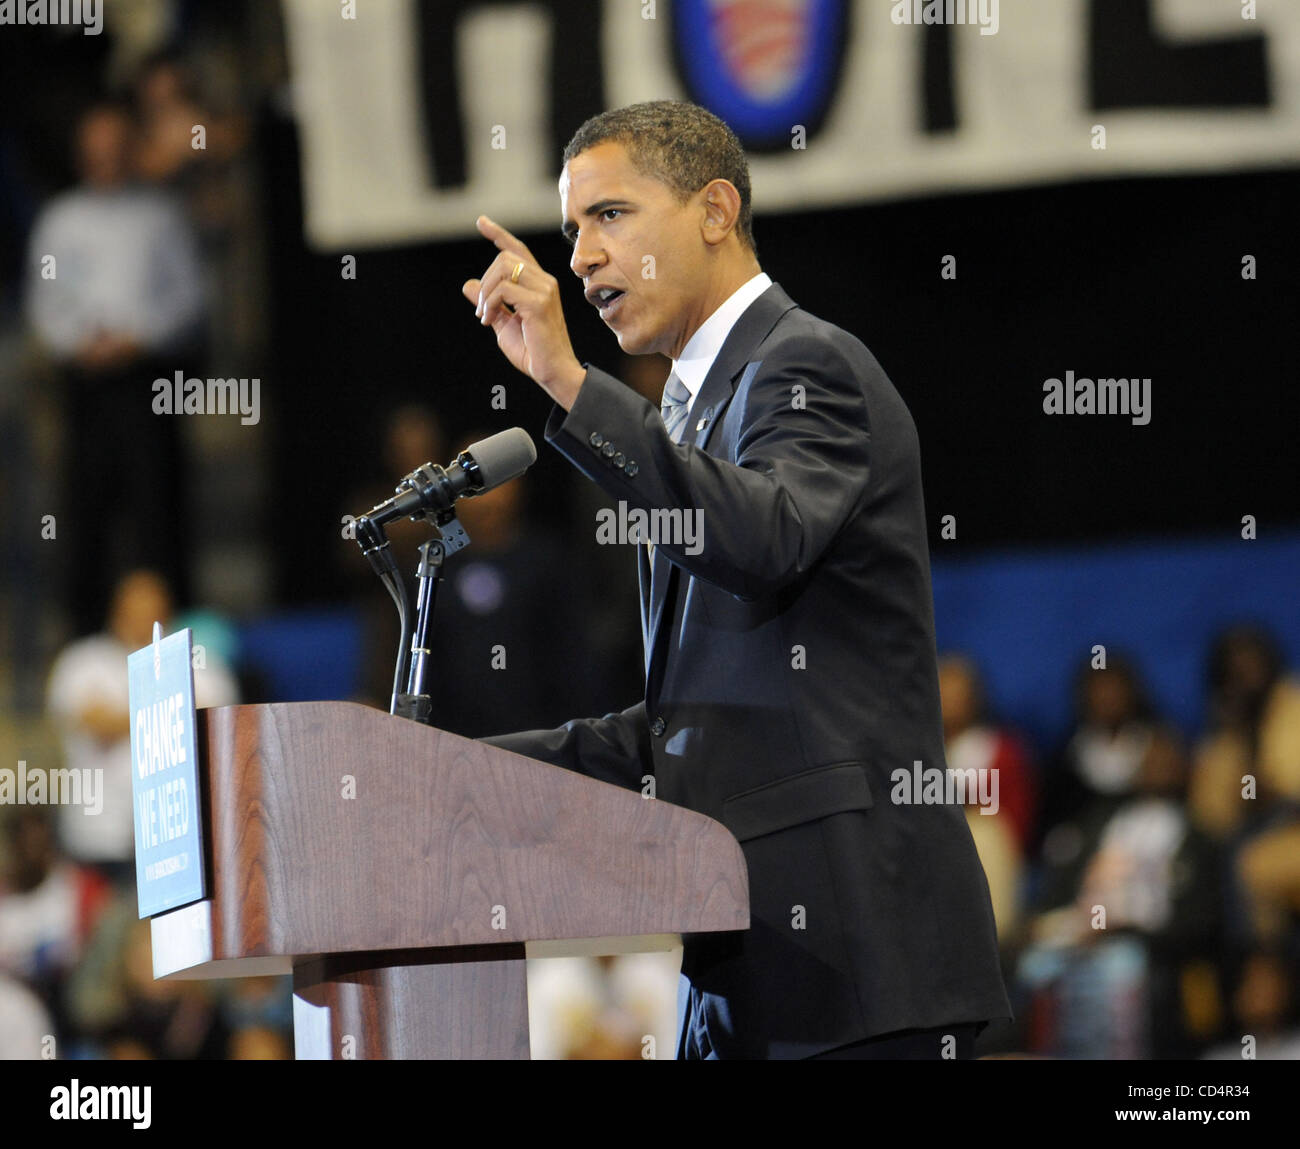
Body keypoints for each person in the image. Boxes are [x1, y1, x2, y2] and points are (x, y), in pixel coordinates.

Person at [464, 100, 1010, 1059]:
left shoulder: (806, 363)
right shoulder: (685, 421)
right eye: (571, 229)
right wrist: (454, 774)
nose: (582, 256)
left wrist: (568, 383)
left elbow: (767, 539)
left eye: (610, 215)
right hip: (750, 984)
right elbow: (684, 727)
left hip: (857, 965)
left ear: (716, 209)